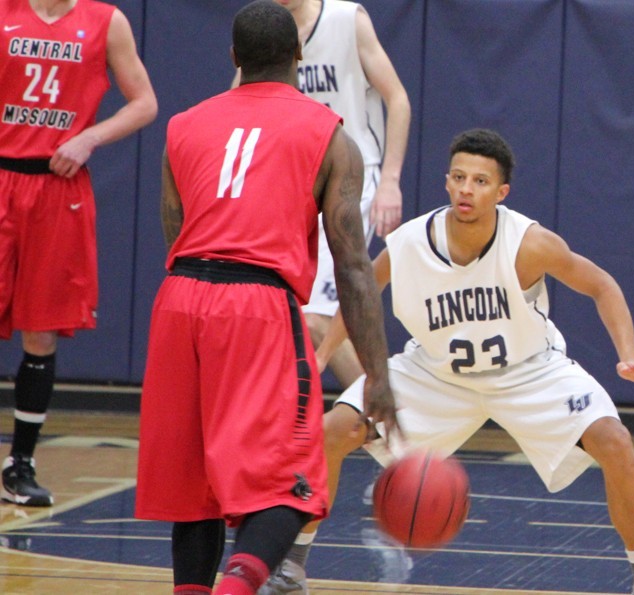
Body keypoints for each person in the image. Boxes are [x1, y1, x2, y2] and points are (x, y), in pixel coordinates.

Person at [274, 129, 634, 595]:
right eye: (459, 177)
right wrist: (324, 354)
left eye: (480, 181)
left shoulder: (529, 244)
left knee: (615, 441)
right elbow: (361, 291)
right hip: (436, 374)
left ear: (501, 193)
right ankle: (290, 568)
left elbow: (603, 284)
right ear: (446, 182)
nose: (467, 188)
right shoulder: (409, 243)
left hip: (529, 370)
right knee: (331, 432)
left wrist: (629, 356)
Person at [133, 2, 397, 594]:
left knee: (193, 488)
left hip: (178, 300)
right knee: (296, 479)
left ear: (233, 58)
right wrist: (376, 375)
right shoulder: (331, 138)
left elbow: (174, 233)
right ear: (299, 55)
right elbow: (354, 269)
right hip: (255, 305)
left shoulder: (182, 126)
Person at [0, 0, 157, 507]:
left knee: (41, 331)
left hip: (55, 188)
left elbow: (144, 102)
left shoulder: (105, 21)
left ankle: (19, 464)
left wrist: (90, 136)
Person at [235, 0, 411, 389]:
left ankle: (390, 429)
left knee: (313, 319)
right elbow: (237, 109)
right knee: (287, 315)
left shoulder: (347, 20)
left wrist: (390, 181)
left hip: (349, 180)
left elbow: (397, 99)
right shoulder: (264, 30)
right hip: (289, 188)